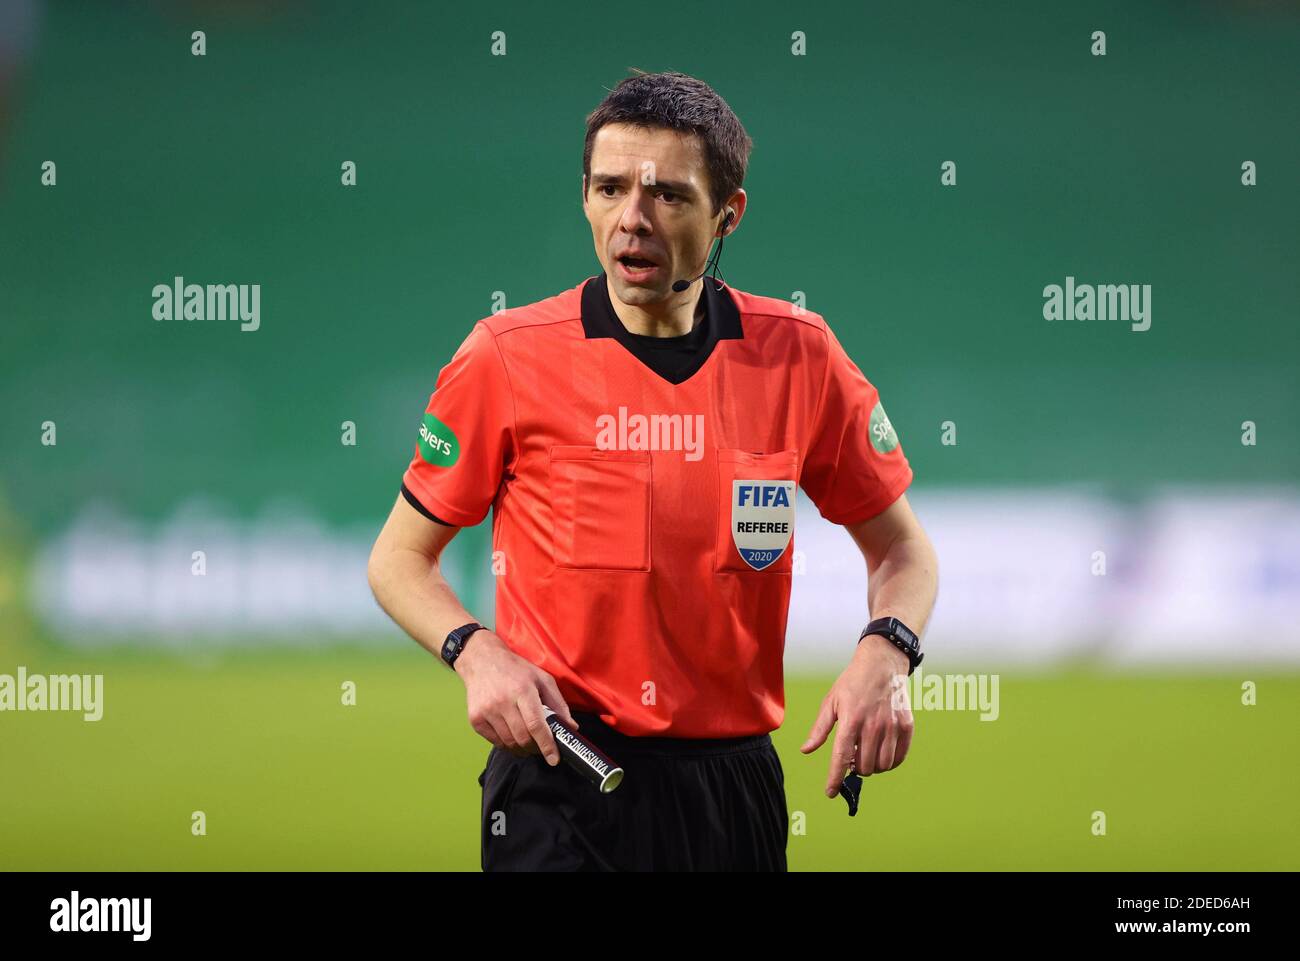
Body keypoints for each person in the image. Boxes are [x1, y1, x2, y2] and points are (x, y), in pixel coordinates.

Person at [367, 70, 939, 871]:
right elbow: (397, 558)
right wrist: (476, 651)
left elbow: (903, 551)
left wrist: (887, 651)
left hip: (732, 793)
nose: (631, 220)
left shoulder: (799, 354)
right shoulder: (506, 356)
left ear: (727, 216)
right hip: (559, 782)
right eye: (608, 188)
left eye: (668, 196)